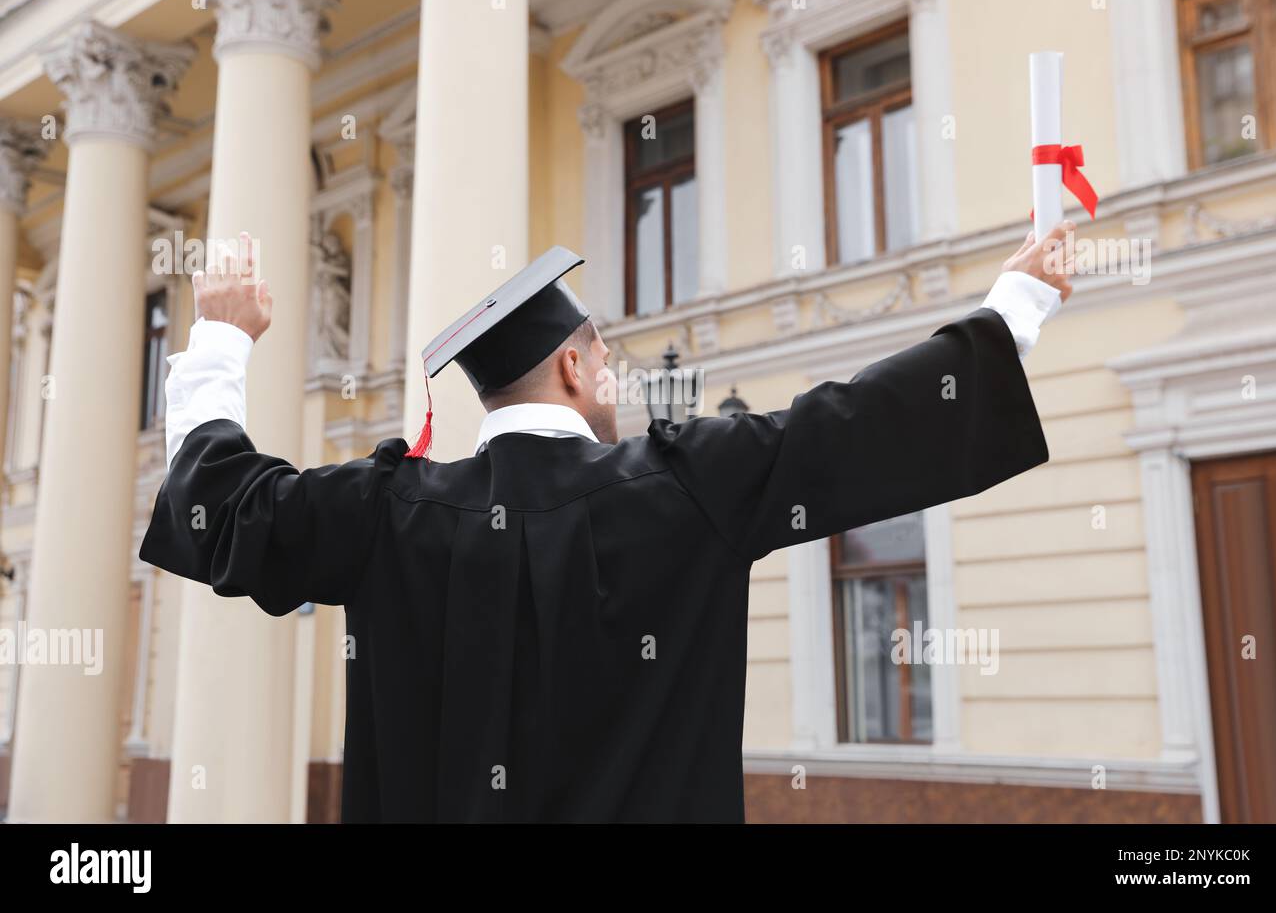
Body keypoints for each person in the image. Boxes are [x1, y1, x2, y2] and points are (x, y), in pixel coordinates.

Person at [140, 223, 1076, 822]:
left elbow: (221, 506)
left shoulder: (388, 514)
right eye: (610, 360)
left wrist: (221, 340)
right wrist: (1015, 308)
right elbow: (851, 423)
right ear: (577, 370)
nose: (620, 380)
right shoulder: (692, 485)